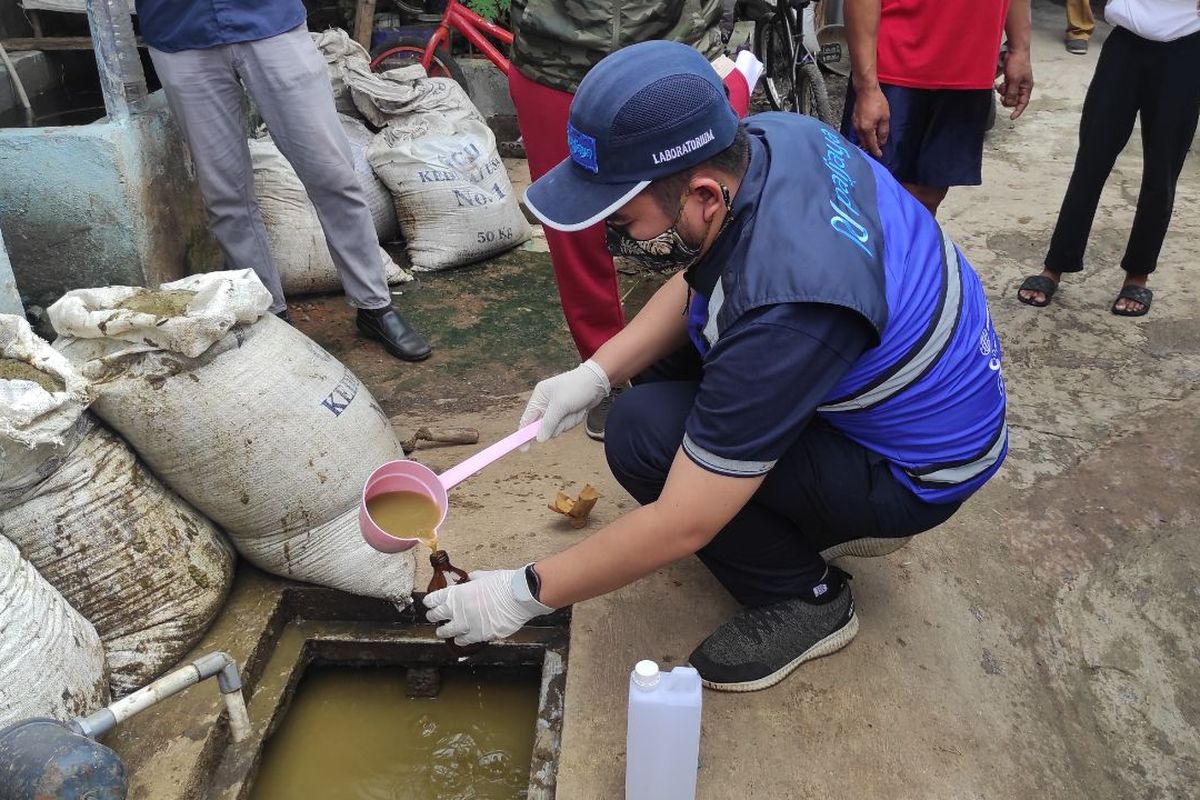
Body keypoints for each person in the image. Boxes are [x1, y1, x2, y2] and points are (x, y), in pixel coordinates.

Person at [425, 42, 1009, 692]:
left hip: (915, 472)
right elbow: (706, 276)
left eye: (623, 218)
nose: (618, 235)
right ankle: (785, 502)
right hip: (903, 381)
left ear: (703, 194)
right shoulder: (776, 139)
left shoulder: (789, 305)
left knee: (642, 436)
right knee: (652, 373)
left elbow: (685, 522)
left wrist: (524, 592)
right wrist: (597, 371)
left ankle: (809, 598)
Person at [137, 0, 432, 362]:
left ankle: (375, 306)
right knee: (225, 195)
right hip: (179, 31)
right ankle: (271, 317)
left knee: (333, 174)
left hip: (270, 20)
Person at [507, 0, 725, 439]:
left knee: (710, 237)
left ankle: (722, 354)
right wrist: (598, 371)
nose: (623, 230)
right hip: (557, 58)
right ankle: (610, 368)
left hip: (677, 44)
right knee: (579, 232)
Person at [1017, 1, 1200, 316]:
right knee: (1091, 159)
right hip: (1125, 46)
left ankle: (1138, 275)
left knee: (1162, 171)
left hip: (1185, 52)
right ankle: (1055, 265)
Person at [841, 0, 1035, 217]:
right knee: (874, 199)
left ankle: (913, 250)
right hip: (898, 62)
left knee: (927, 198)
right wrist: (867, 87)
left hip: (970, 64)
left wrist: (1020, 48)